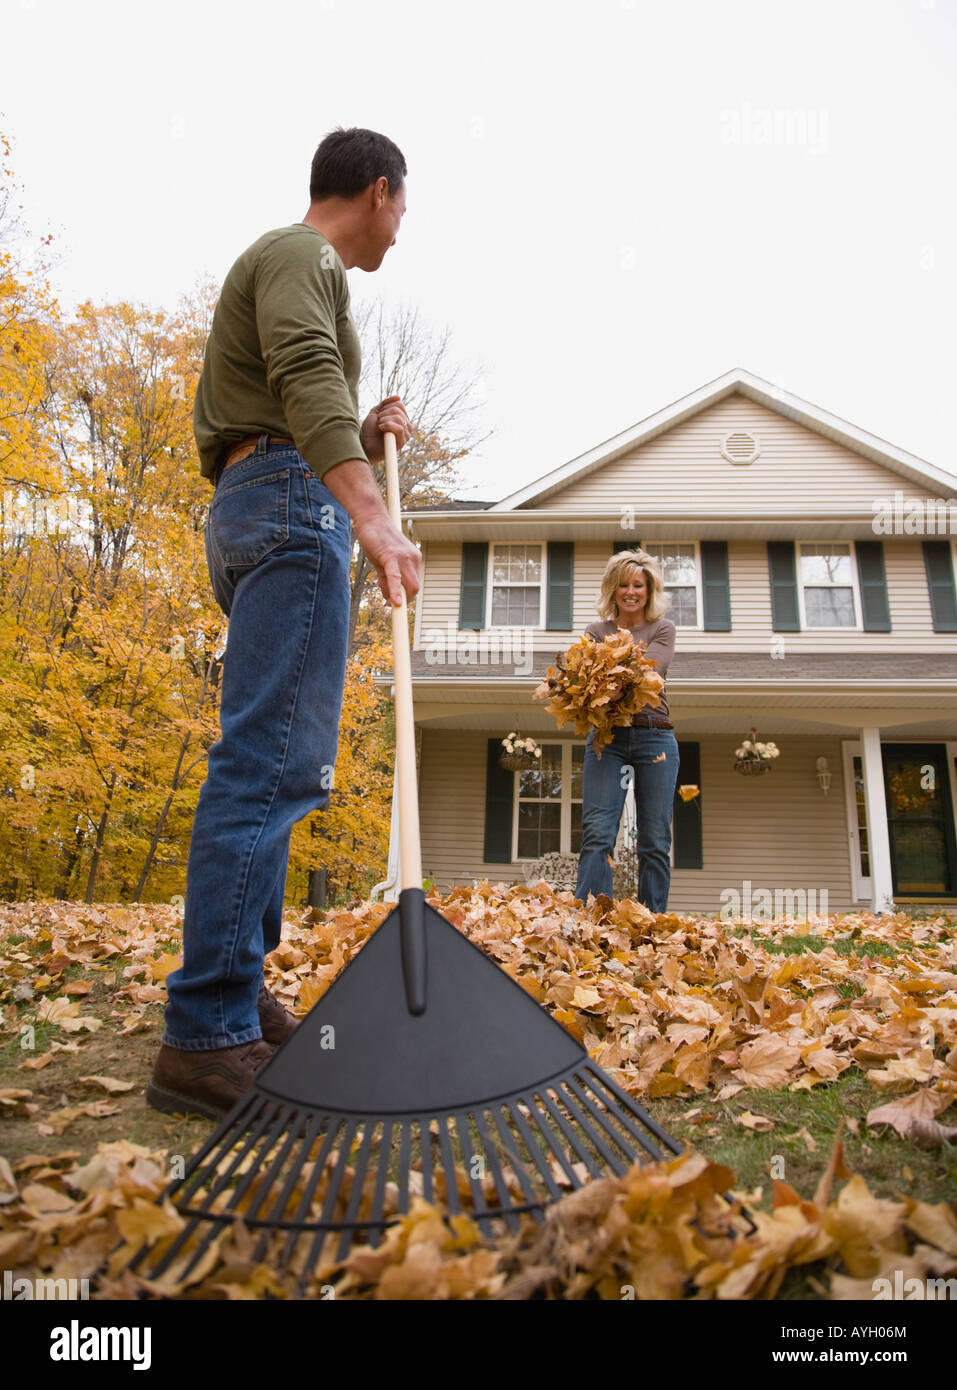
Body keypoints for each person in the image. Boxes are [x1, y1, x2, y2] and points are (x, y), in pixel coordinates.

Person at [148, 128, 421, 1121]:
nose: (402, 227)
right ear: (380, 190)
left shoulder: (280, 263)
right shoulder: (302, 256)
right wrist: (370, 512)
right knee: (269, 764)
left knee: (272, 759)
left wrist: (367, 429)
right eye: (404, 206)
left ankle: (237, 991)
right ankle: (206, 1030)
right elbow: (305, 369)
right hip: (288, 502)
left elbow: (296, 388)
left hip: (256, 495)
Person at [574, 550, 678, 912]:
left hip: (656, 735)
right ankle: (590, 918)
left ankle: (650, 922)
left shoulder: (663, 629)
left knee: (654, 838)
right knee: (598, 834)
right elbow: (588, 679)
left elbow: (652, 672)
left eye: (638, 585)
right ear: (612, 589)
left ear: (649, 591)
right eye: (623, 585)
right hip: (609, 737)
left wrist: (610, 668)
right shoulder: (595, 631)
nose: (631, 592)